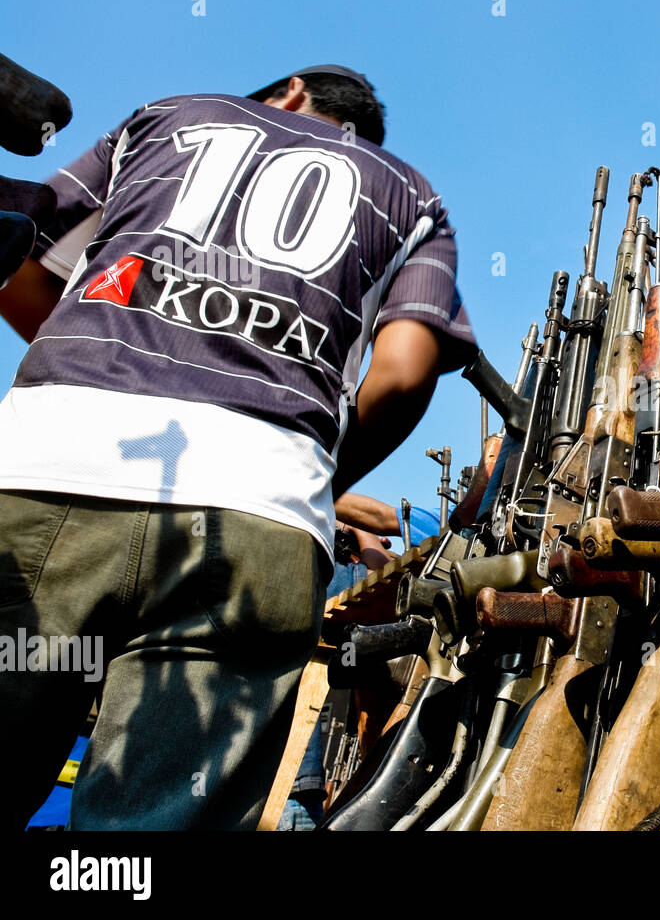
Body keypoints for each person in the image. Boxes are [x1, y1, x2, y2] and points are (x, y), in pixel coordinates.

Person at [0, 65, 475, 829]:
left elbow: (23, 263)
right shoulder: (414, 195)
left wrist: (109, 359)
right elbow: (403, 372)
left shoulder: (168, 113)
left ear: (288, 91)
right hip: (260, 510)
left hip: (48, 461)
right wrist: (316, 474)